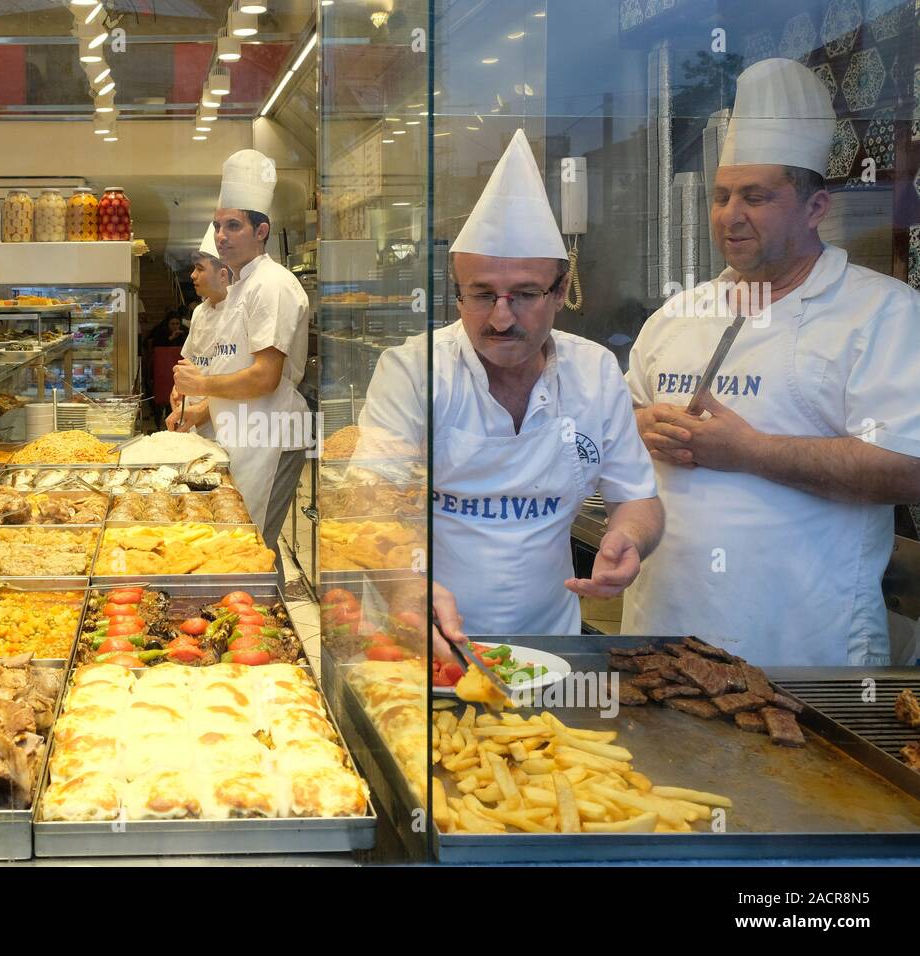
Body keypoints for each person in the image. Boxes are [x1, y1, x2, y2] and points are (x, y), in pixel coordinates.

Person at [623, 58, 920, 666]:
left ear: (816, 208)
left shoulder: (883, 313)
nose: (732, 214)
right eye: (723, 195)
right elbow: (612, 422)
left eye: (756, 197)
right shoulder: (676, 315)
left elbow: (910, 467)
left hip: (806, 649)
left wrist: (749, 451)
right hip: (660, 632)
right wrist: (637, 426)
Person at [352, 128, 664, 660]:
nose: (500, 318)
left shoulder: (594, 373)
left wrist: (628, 540)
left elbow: (637, 498)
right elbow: (367, 503)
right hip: (416, 645)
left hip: (547, 649)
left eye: (523, 295)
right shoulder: (412, 371)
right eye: (480, 295)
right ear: (457, 292)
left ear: (562, 291)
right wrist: (407, 588)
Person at [171, 149, 312, 566]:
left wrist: (202, 387)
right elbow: (233, 371)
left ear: (262, 230)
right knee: (236, 551)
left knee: (252, 555)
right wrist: (197, 412)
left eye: (233, 226)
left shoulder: (272, 285)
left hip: (270, 435)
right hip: (243, 434)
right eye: (218, 226)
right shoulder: (239, 289)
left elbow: (265, 377)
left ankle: (265, 630)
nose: (221, 236)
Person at [168, 224, 233, 439]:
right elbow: (191, 362)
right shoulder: (199, 312)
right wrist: (178, 389)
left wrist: (205, 409)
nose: (193, 275)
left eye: (200, 269)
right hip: (194, 423)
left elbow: (246, 381)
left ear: (223, 275)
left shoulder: (241, 312)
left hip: (227, 425)